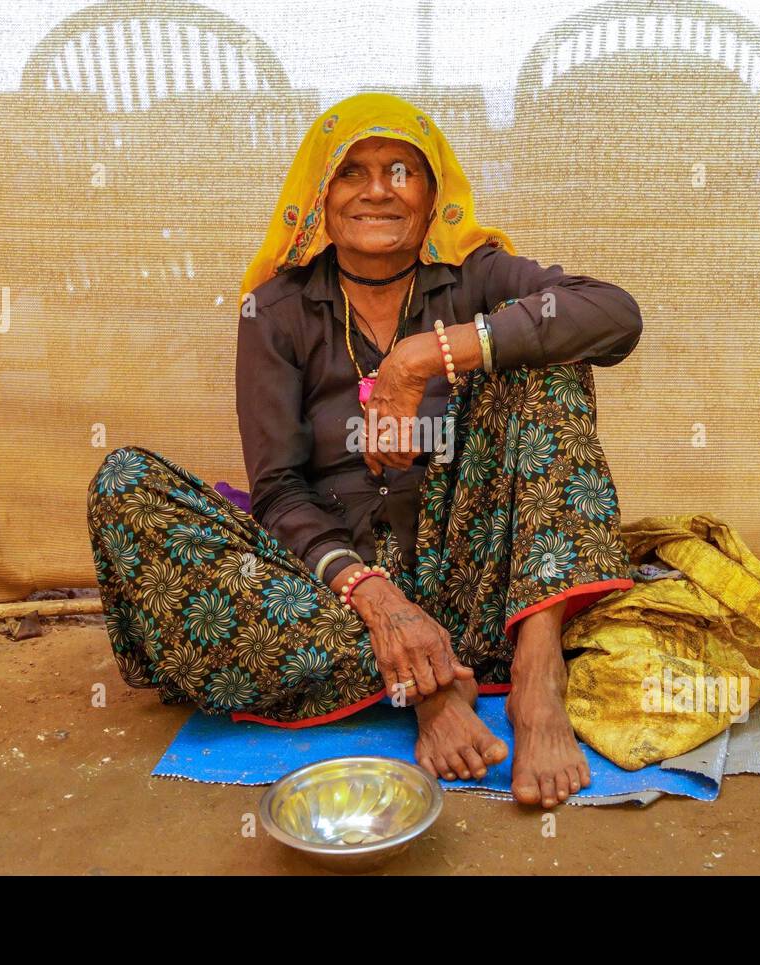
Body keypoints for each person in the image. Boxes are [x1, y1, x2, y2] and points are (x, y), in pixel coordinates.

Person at [87, 92, 642, 808]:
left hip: (477, 577)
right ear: (321, 195)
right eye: (353, 172)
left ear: (432, 194)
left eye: (402, 171)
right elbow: (279, 488)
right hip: (337, 593)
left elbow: (614, 314)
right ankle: (424, 679)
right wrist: (377, 601)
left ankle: (538, 675)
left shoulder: (475, 275)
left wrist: (427, 356)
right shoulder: (277, 309)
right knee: (124, 480)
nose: (378, 189)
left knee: (549, 349)